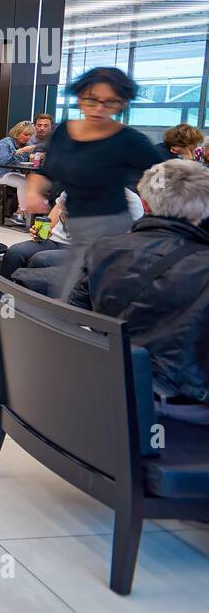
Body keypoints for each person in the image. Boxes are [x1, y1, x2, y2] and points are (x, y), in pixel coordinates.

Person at [69, 160, 209, 424]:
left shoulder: (104, 248)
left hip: (108, 384)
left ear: (145, 203)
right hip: (178, 404)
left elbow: (75, 313)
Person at [22, 66, 163, 297]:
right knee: (71, 294)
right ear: (79, 98)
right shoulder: (64, 132)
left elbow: (163, 174)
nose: (99, 108)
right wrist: (33, 191)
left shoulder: (128, 140)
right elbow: (46, 171)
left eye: (109, 103)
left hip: (110, 229)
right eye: (92, 100)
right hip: (74, 226)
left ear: (122, 104)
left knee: (81, 295)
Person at [1, 187, 144, 294]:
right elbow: (50, 221)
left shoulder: (129, 200)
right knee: (14, 252)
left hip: (88, 249)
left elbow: (129, 239)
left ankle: (29, 312)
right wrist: (42, 230)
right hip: (55, 241)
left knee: (41, 259)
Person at [0, 120, 35, 224]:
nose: (28, 138)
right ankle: (20, 213)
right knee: (23, 183)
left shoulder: (24, 144)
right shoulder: (5, 142)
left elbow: (24, 162)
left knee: (32, 182)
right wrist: (20, 152)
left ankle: (25, 212)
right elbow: (4, 160)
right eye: (26, 134)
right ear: (17, 132)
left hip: (10, 172)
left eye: (30, 135)